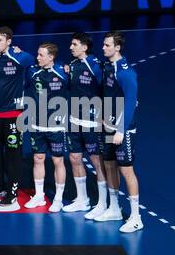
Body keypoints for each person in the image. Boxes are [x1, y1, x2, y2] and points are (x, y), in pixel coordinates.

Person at [94, 31, 142, 232]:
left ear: (117, 47)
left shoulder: (126, 73)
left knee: (126, 170)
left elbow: (130, 103)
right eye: (103, 45)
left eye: (107, 45)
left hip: (123, 130)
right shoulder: (107, 68)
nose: (103, 48)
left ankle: (136, 217)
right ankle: (114, 208)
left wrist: (121, 130)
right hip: (107, 126)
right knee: (109, 166)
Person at [0, 26, 32, 207]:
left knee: (13, 155)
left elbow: (35, 66)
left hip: (13, 116)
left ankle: (12, 192)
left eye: (0, 40)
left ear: (9, 42)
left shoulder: (21, 58)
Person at [23, 43, 70, 211]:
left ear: (51, 57)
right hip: (37, 124)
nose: (38, 57)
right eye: (37, 54)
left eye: (41, 55)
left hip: (56, 126)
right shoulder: (32, 71)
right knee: (38, 159)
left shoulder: (63, 73)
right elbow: (23, 85)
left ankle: (58, 198)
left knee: (58, 160)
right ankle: (39, 195)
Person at [64, 33, 105, 214]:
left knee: (97, 161)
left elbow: (106, 89)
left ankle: (104, 202)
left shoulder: (95, 65)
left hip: (91, 121)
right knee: (74, 158)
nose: (71, 47)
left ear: (84, 47)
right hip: (73, 119)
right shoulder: (72, 65)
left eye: (74, 44)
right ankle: (82, 199)